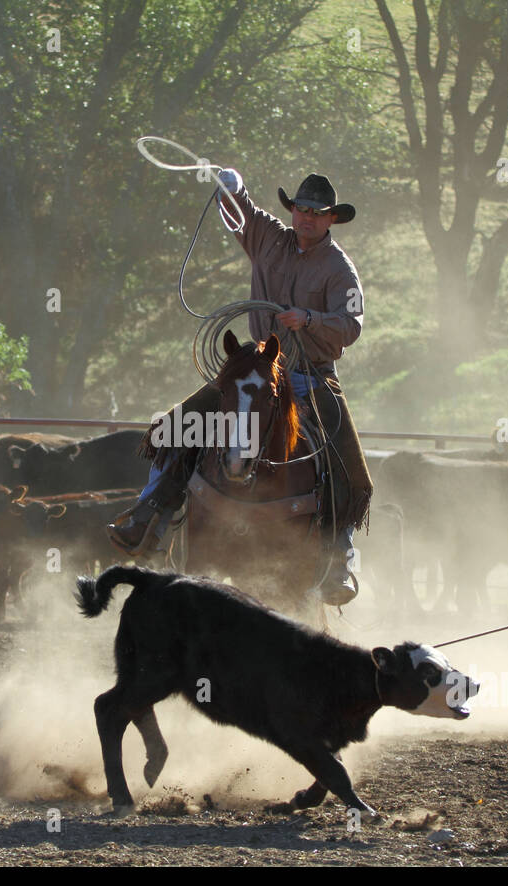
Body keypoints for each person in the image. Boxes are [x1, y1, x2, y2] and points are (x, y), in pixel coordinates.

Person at [106, 170, 373, 605]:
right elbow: (240, 214)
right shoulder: (269, 238)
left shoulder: (340, 269)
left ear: (331, 220)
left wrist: (308, 319)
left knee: (343, 446)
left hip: (309, 370)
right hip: (258, 361)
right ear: (293, 211)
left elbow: (351, 325)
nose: (306, 218)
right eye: (301, 210)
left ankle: (340, 551)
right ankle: (151, 510)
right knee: (180, 423)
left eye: (316, 213)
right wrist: (232, 187)